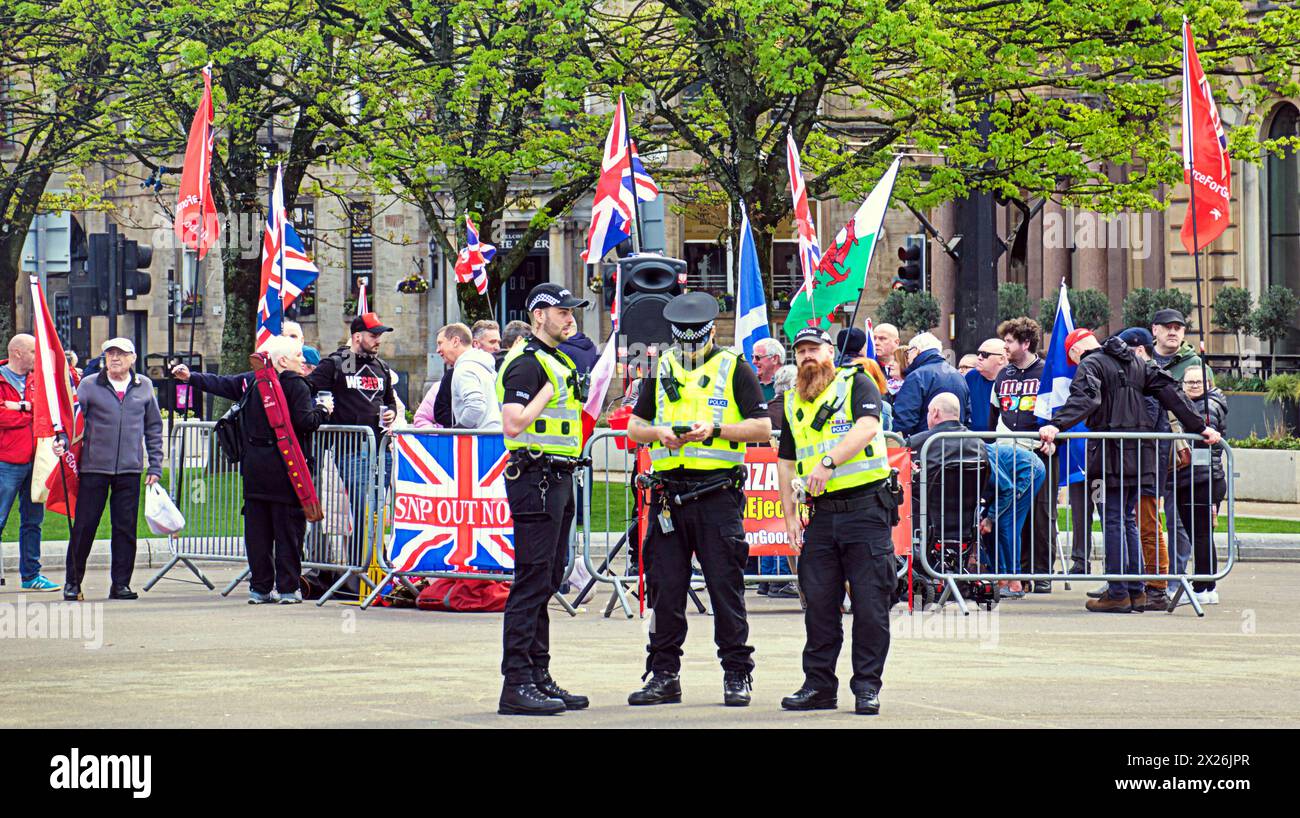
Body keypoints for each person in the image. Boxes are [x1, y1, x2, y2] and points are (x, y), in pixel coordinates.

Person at [625, 291, 770, 708]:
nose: (689, 349)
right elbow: (635, 425)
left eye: (696, 342)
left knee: (726, 589)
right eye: (682, 342)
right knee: (666, 590)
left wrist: (716, 429)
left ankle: (737, 673)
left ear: (709, 335)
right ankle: (664, 674)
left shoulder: (735, 367)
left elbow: (762, 428)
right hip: (670, 496)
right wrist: (658, 434)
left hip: (716, 496)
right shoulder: (659, 367)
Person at [1038, 330, 1218, 613]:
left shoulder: (1092, 364)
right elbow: (1171, 391)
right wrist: (1200, 426)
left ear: (1074, 352)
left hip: (1111, 452)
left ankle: (1118, 591)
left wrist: (1056, 424)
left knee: (1113, 518)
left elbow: (1086, 399)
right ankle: (1135, 591)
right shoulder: (1137, 362)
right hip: (1141, 452)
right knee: (1128, 519)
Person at [777, 327, 893, 715]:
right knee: (820, 605)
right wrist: (789, 515)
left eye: (814, 349)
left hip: (866, 510)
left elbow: (868, 428)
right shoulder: (794, 400)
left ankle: (866, 687)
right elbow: (786, 461)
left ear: (830, 351)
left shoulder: (856, 383)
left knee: (870, 604)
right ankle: (819, 685)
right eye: (801, 351)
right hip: (822, 516)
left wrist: (829, 462)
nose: (808, 356)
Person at [494, 283, 591, 716]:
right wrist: (546, 395)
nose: (571, 319)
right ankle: (516, 682)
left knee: (548, 579)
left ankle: (538, 675)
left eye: (573, 312)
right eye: (563, 312)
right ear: (539, 316)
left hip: (557, 477)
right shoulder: (527, 364)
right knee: (532, 581)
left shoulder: (557, 359)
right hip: (535, 477)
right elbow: (513, 424)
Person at [60, 338, 163, 601]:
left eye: (121, 354)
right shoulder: (89, 384)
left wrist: (155, 464)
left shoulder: (144, 386)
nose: (115, 358)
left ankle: (121, 584)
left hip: (129, 469)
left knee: (126, 529)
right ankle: (73, 582)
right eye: (110, 354)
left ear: (133, 358)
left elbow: (153, 427)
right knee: (84, 526)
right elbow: (72, 419)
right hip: (94, 467)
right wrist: (61, 440)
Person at [238, 337, 331, 604]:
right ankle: (289, 588)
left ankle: (260, 588)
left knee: (258, 532)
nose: (303, 360)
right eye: (299, 355)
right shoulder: (295, 385)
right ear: (283, 361)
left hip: (255, 468)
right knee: (288, 531)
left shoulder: (257, 385)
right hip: (286, 469)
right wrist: (323, 410)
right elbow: (305, 421)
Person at [990, 317, 1055, 592]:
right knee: (1012, 515)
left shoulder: (1045, 372)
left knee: (1041, 516)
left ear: (1025, 343)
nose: (1004, 346)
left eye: (1009, 341)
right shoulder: (1003, 375)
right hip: (1007, 452)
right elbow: (995, 410)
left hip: (1039, 451)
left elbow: (1059, 412)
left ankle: (1040, 573)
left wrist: (1055, 442)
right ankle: (1018, 573)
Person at [1114, 327, 1171, 609]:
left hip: (1146, 462)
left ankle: (1158, 587)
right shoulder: (1146, 374)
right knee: (1142, 523)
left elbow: (1145, 419)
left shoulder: (1145, 377)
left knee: (1148, 525)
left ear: (1138, 350)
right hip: (1143, 461)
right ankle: (1139, 581)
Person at [1, 334, 59, 591]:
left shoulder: (39, 379)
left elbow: (46, 411)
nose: (38, 356)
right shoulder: (2, 378)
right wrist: (29, 411)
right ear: (17, 353)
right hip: (7, 461)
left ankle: (31, 576)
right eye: (33, 352)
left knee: (33, 520)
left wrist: (19, 407)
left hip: (37, 461)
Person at [1151, 308, 1201, 577]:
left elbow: (1207, 406)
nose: (1173, 331)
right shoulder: (1141, 360)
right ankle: (1136, 577)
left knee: (1178, 519)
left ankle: (1175, 579)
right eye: (1167, 326)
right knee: (1138, 518)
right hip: (1143, 453)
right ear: (1154, 330)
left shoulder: (1194, 365)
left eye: (1178, 327)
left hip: (1179, 457)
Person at [1175, 366, 1227, 606]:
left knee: (1202, 533)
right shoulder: (1192, 405)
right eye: (1190, 382)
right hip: (1194, 478)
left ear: (1208, 384)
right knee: (1200, 534)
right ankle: (1205, 586)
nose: (1194, 385)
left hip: (1203, 479)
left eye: (1199, 382)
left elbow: (1205, 438)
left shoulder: (1208, 407)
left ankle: (1204, 587)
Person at [759, 363, 799, 597]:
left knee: (765, 523)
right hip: (780, 473)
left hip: (765, 474)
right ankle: (782, 579)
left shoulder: (768, 408)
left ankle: (768, 579)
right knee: (776, 523)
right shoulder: (788, 409)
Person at [893, 331, 969, 437]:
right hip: (957, 444)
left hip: (925, 446)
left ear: (916, 351)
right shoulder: (958, 375)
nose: (907, 357)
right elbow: (967, 414)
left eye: (908, 352)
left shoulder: (917, 376)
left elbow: (904, 419)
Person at [437, 323, 501, 430]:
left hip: (479, 440)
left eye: (440, 343)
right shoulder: (485, 367)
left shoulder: (464, 369)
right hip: (494, 437)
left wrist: (459, 429)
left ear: (455, 341)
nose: (437, 350)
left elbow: (476, 406)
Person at [964, 339, 1006, 433]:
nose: (979, 357)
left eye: (985, 354)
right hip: (974, 441)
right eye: (978, 353)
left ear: (1001, 359)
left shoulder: (1012, 379)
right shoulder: (971, 377)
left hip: (1002, 441)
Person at [751, 337, 785, 402]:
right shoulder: (749, 385)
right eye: (752, 357)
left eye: (758, 357)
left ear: (775, 359)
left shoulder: (791, 386)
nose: (753, 361)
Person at [873, 322, 903, 394]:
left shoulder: (906, 366)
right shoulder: (868, 366)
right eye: (874, 338)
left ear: (896, 342)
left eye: (882, 338)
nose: (876, 343)